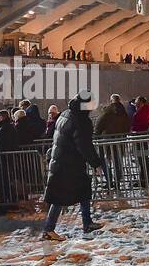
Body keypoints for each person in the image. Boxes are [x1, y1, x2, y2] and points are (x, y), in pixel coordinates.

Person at [41, 94, 107, 239]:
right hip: (69, 164)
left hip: (62, 161)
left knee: (82, 191)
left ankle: (87, 222)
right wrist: (96, 163)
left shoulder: (66, 113)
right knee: (60, 197)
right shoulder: (81, 121)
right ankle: (48, 230)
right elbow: (84, 145)